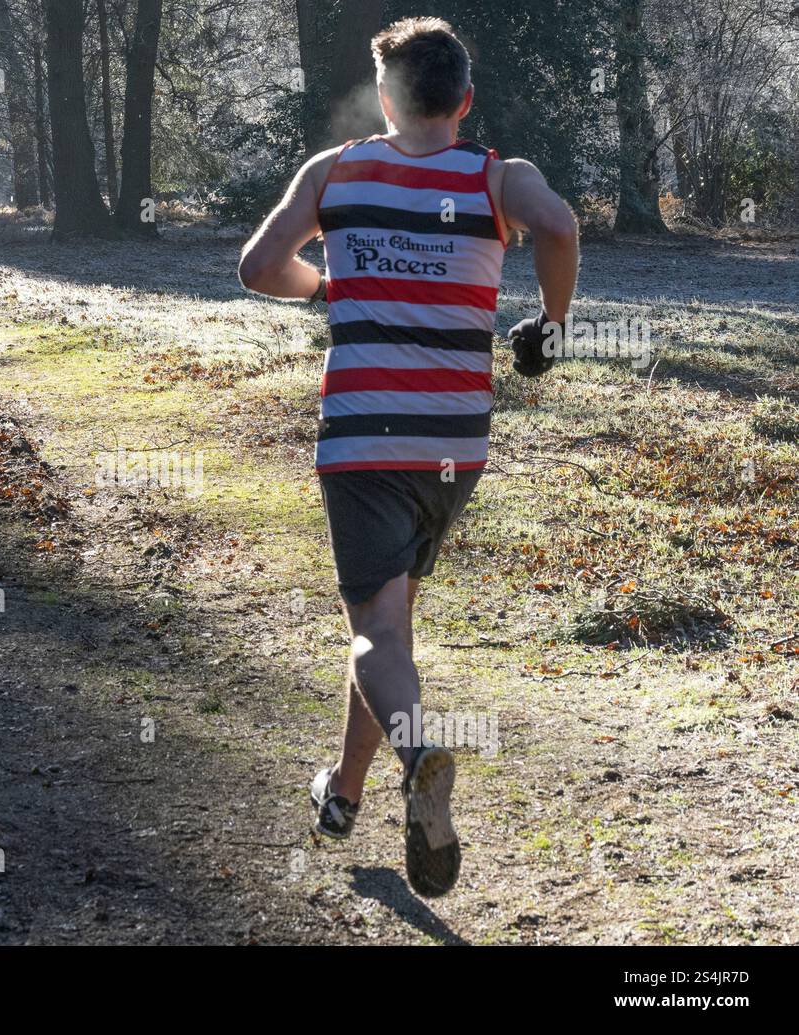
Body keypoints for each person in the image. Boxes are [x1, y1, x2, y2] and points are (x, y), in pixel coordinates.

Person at [237, 16, 579, 898]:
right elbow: (561, 225)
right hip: (455, 448)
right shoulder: (497, 177)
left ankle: (421, 753)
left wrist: (328, 285)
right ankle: (344, 792)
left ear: (387, 98)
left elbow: (257, 265)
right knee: (392, 620)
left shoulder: (336, 171)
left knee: (373, 630)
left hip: (362, 438)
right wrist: (552, 323)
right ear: (464, 100)